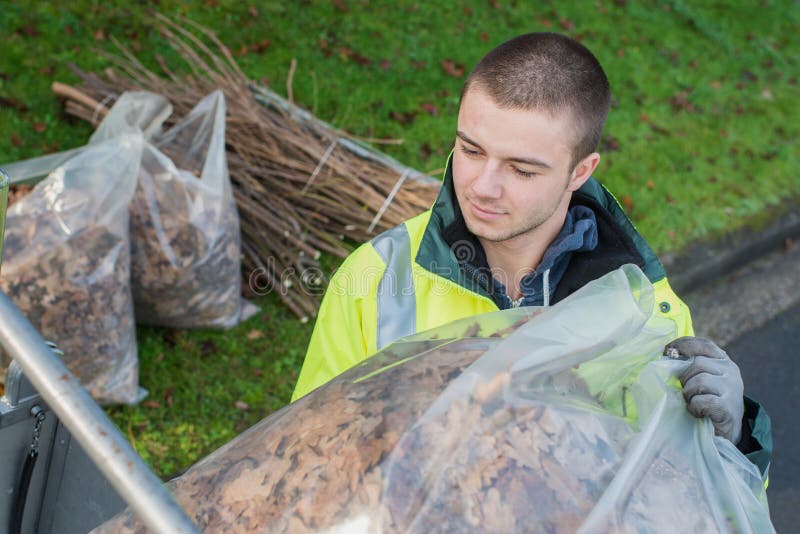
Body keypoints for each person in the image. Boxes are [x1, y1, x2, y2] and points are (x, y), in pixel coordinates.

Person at [292, 32, 771, 477]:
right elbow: (301, 456)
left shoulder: (644, 311)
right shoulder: (376, 277)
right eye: (471, 150)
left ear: (580, 171)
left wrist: (732, 442)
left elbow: (688, 500)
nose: (482, 187)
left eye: (521, 170)